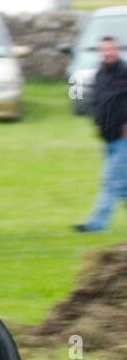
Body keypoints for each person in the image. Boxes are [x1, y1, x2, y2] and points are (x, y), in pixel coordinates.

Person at [74, 36, 127, 232]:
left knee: (110, 181)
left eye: (111, 49)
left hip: (123, 138)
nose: (108, 53)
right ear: (100, 52)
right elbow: (96, 101)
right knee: (122, 186)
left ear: (117, 50)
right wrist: (96, 122)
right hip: (107, 138)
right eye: (104, 50)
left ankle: (96, 224)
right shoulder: (99, 74)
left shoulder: (124, 72)